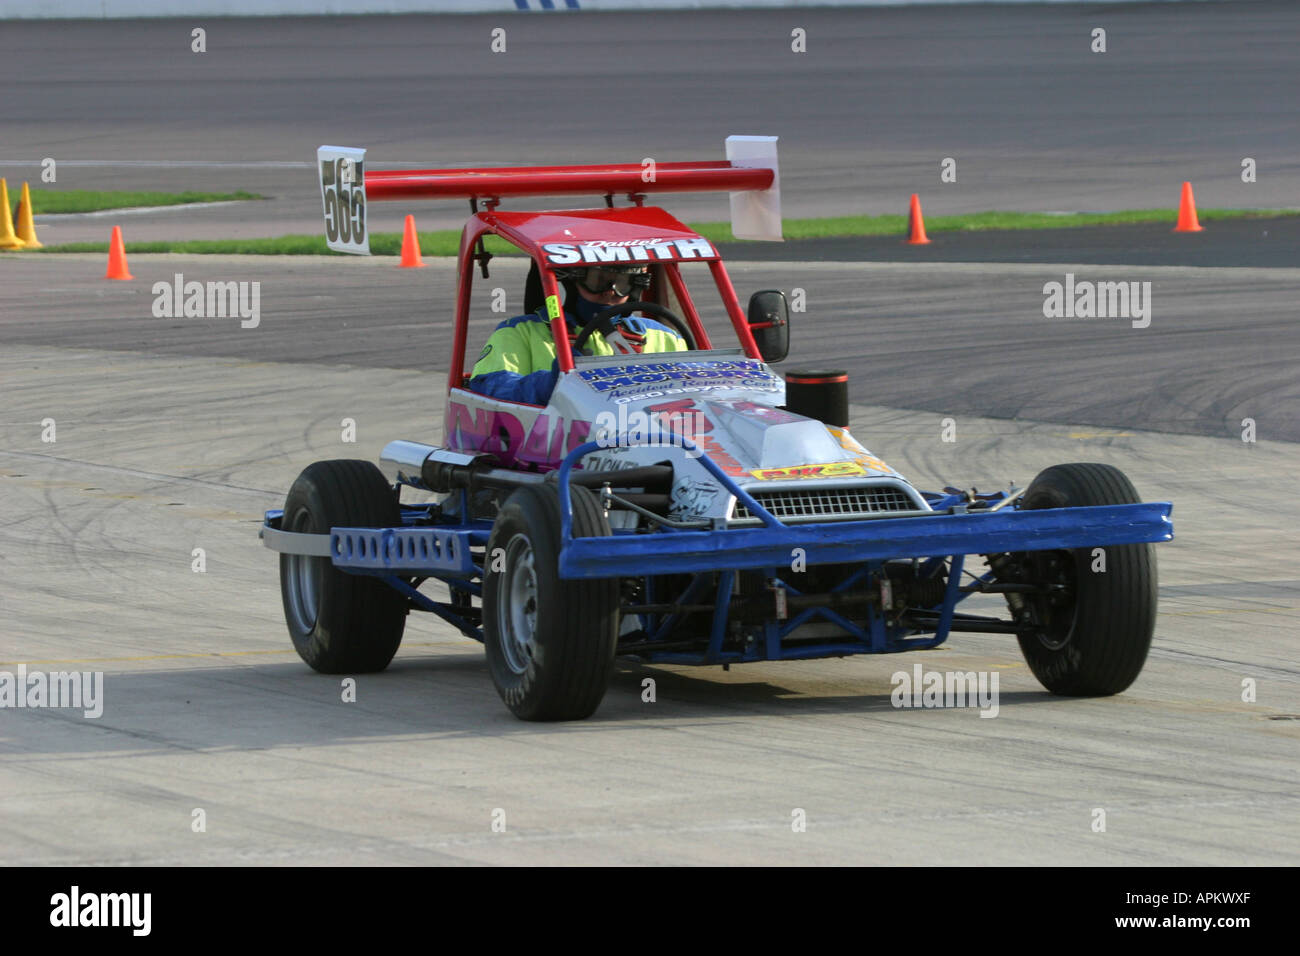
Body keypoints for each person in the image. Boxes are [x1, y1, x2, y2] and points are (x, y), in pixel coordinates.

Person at [468, 263, 688, 405]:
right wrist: (550, 383)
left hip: (648, 443)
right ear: (569, 282)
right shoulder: (519, 333)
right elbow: (489, 389)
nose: (611, 291)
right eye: (599, 280)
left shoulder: (664, 337)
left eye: (622, 283)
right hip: (555, 452)